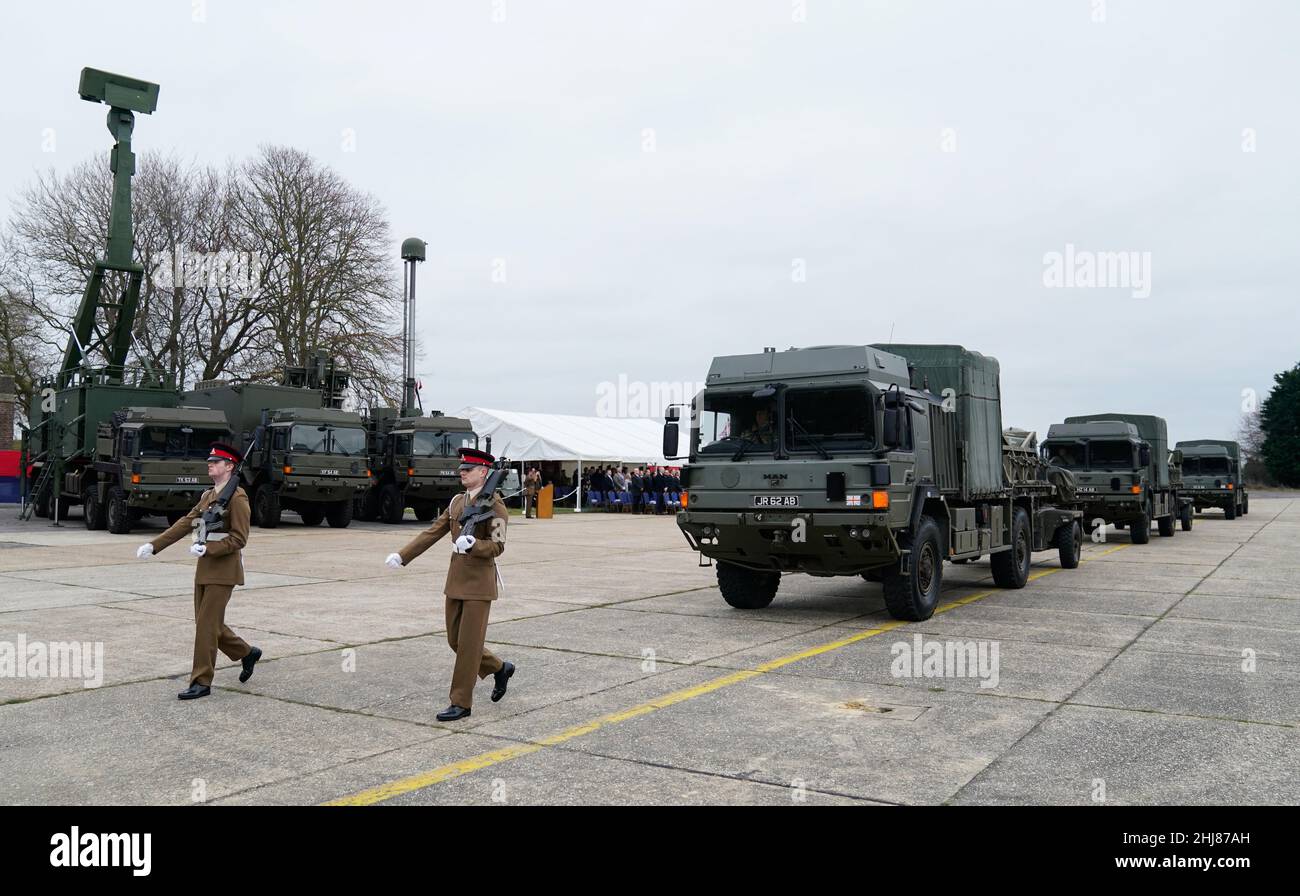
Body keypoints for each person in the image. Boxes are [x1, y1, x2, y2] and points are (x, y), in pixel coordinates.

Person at [384, 447, 513, 722]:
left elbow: (498, 546)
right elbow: (433, 531)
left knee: (468, 646)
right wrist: (403, 555)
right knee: (455, 641)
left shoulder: (497, 506)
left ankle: (461, 702)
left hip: (479, 585)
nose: (463, 473)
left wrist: (475, 545)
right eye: (462, 469)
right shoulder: (457, 502)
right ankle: (500, 668)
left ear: (484, 472)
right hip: (455, 581)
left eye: (468, 469)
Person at [136, 442, 261, 700]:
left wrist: (210, 549)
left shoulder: (237, 497)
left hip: (224, 570)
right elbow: (186, 522)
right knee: (208, 625)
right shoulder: (208, 496)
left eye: (216, 462)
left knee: (206, 626)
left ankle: (201, 681)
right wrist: (154, 545)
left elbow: (239, 538)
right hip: (204, 569)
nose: (210, 464)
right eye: (209, 461)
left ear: (229, 466)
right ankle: (247, 653)